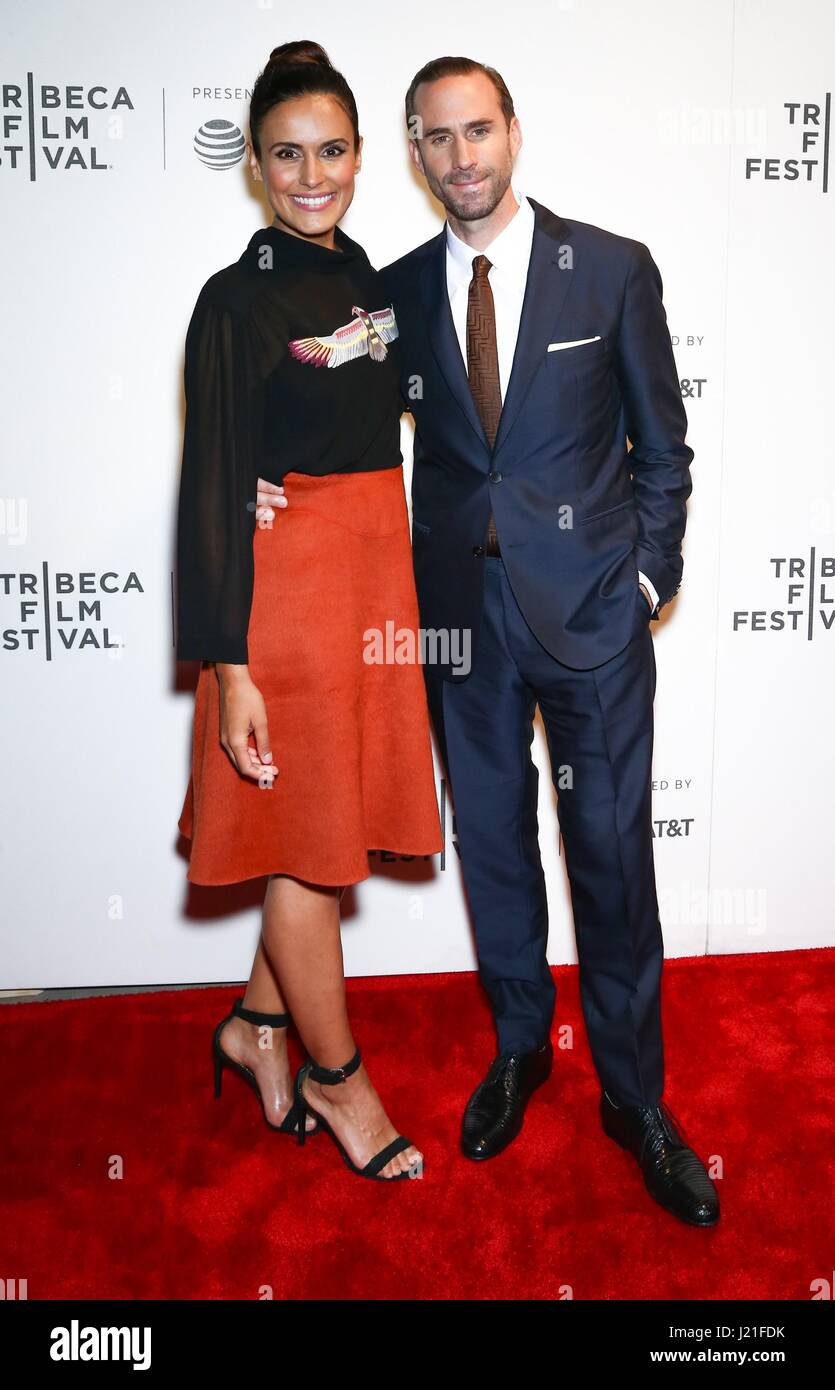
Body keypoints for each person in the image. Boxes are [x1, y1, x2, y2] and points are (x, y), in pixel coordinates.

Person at [256, 56, 719, 1226]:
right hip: (458, 621)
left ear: (513, 131)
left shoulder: (608, 269)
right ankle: (522, 1047)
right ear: (412, 153)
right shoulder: (399, 292)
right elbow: (321, 399)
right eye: (435, 138)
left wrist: (647, 577)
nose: (460, 157)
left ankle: (635, 1099)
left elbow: (663, 448)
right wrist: (256, 477)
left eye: (478, 131)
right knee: (498, 850)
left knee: (613, 860)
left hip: (593, 623)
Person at [175, 40, 443, 1182]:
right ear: (256, 163)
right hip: (283, 600)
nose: (312, 173)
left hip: (373, 580)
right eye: (287, 153)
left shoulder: (370, 276)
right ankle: (341, 1086)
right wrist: (227, 664)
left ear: (359, 155)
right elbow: (211, 481)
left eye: (331, 150)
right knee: (304, 856)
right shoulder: (232, 301)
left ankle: (256, 1028)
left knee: (320, 837)